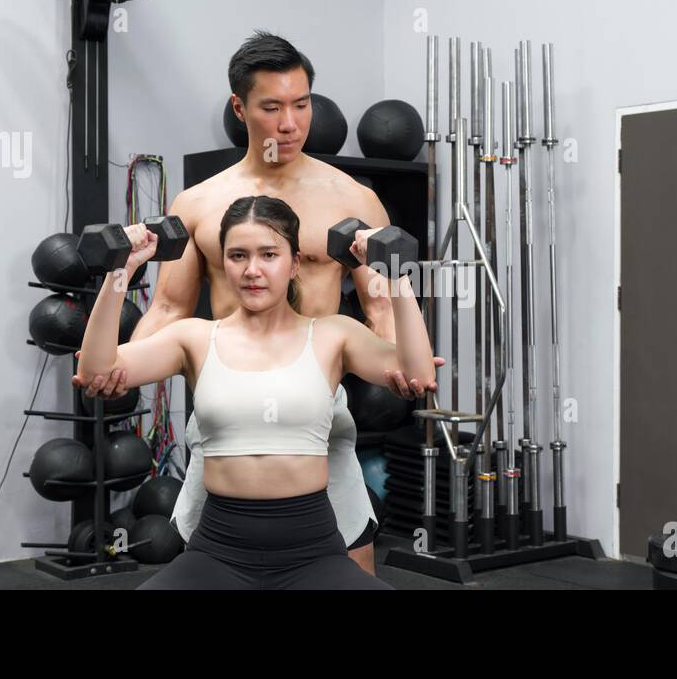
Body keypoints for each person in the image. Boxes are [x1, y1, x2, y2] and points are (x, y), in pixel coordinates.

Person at [75, 31, 441, 575]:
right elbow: (172, 307)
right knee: (218, 561)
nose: (289, 123)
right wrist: (119, 366)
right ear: (239, 108)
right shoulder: (199, 203)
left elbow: (380, 303)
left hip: (314, 409)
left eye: (301, 104)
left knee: (346, 562)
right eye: (272, 107)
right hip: (225, 409)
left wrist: (401, 366)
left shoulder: (353, 198)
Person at [76, 196, 434, 590]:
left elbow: (416, 372)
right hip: (218, 550)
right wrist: (119, 272)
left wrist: (397, 274)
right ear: (222, 263)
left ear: (294, 262)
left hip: (312, 550)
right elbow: (96, 370)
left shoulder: (333, 335)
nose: (252, 270)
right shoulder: (194, 338)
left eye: (269, 254)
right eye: (237, 255)